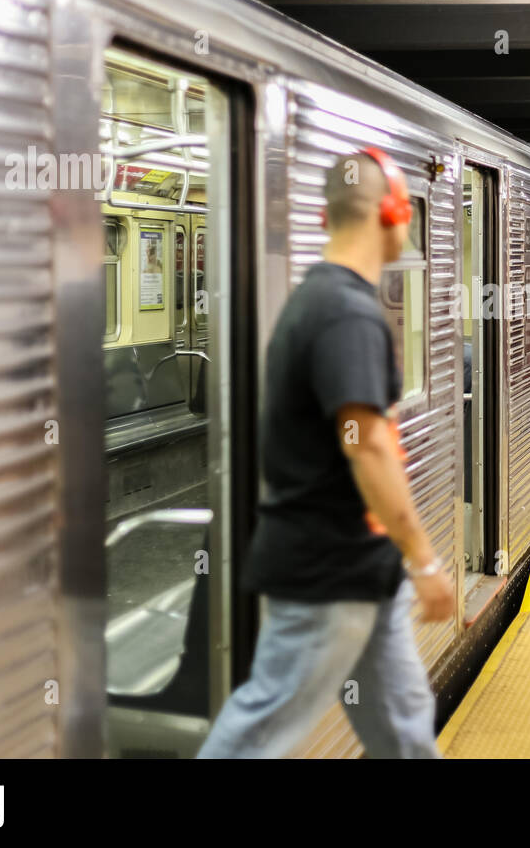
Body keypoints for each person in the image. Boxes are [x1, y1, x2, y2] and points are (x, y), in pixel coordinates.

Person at [197, 148, 454, 760]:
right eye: (407, 212)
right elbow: (366, 446)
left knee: (405, 728)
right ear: (390, 212)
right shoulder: (346, 313)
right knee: (262, 727)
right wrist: (423, 560)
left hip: (363, 566)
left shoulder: (321, 301)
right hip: (329, 568)